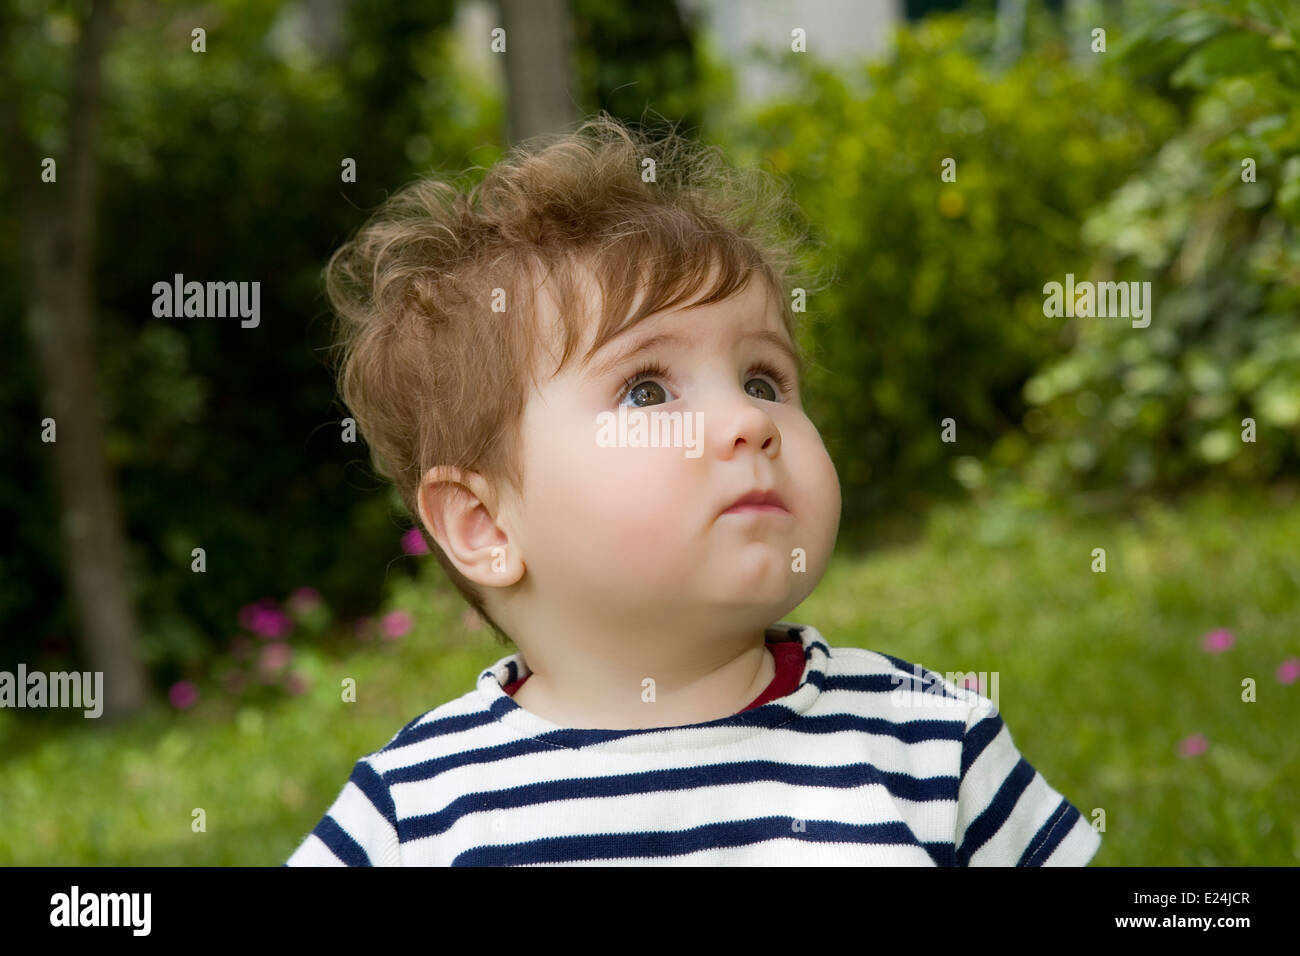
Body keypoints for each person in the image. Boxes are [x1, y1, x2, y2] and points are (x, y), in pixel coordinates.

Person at [285, 111, 1100, 866]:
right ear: (484, 525)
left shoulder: (927, 742)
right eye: (647, 390)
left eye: (765, 379)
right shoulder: (416, 811)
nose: (748, 421)